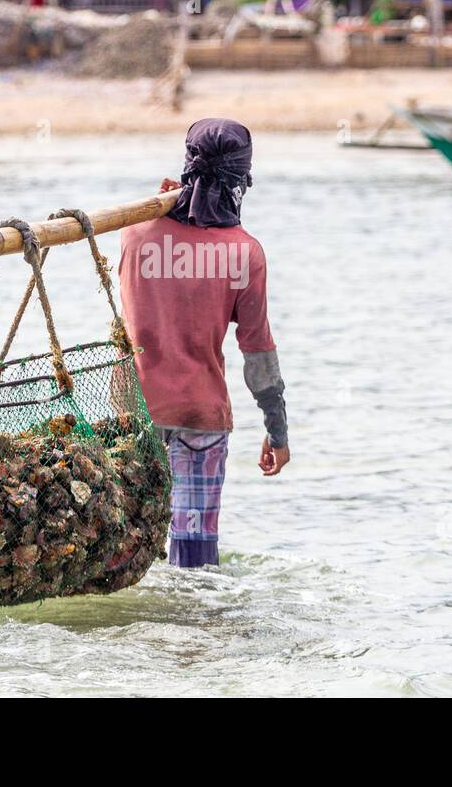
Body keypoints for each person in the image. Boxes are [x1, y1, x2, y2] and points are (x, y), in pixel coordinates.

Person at [118, 118, 289, 568]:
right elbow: (258, 352)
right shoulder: (244, 252)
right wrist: (277, 429)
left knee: (130, 554)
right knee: (194, 562)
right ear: (241, 178)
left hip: (133, 416)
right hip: (201, 417)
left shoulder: (134, 234)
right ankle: (200, 637)